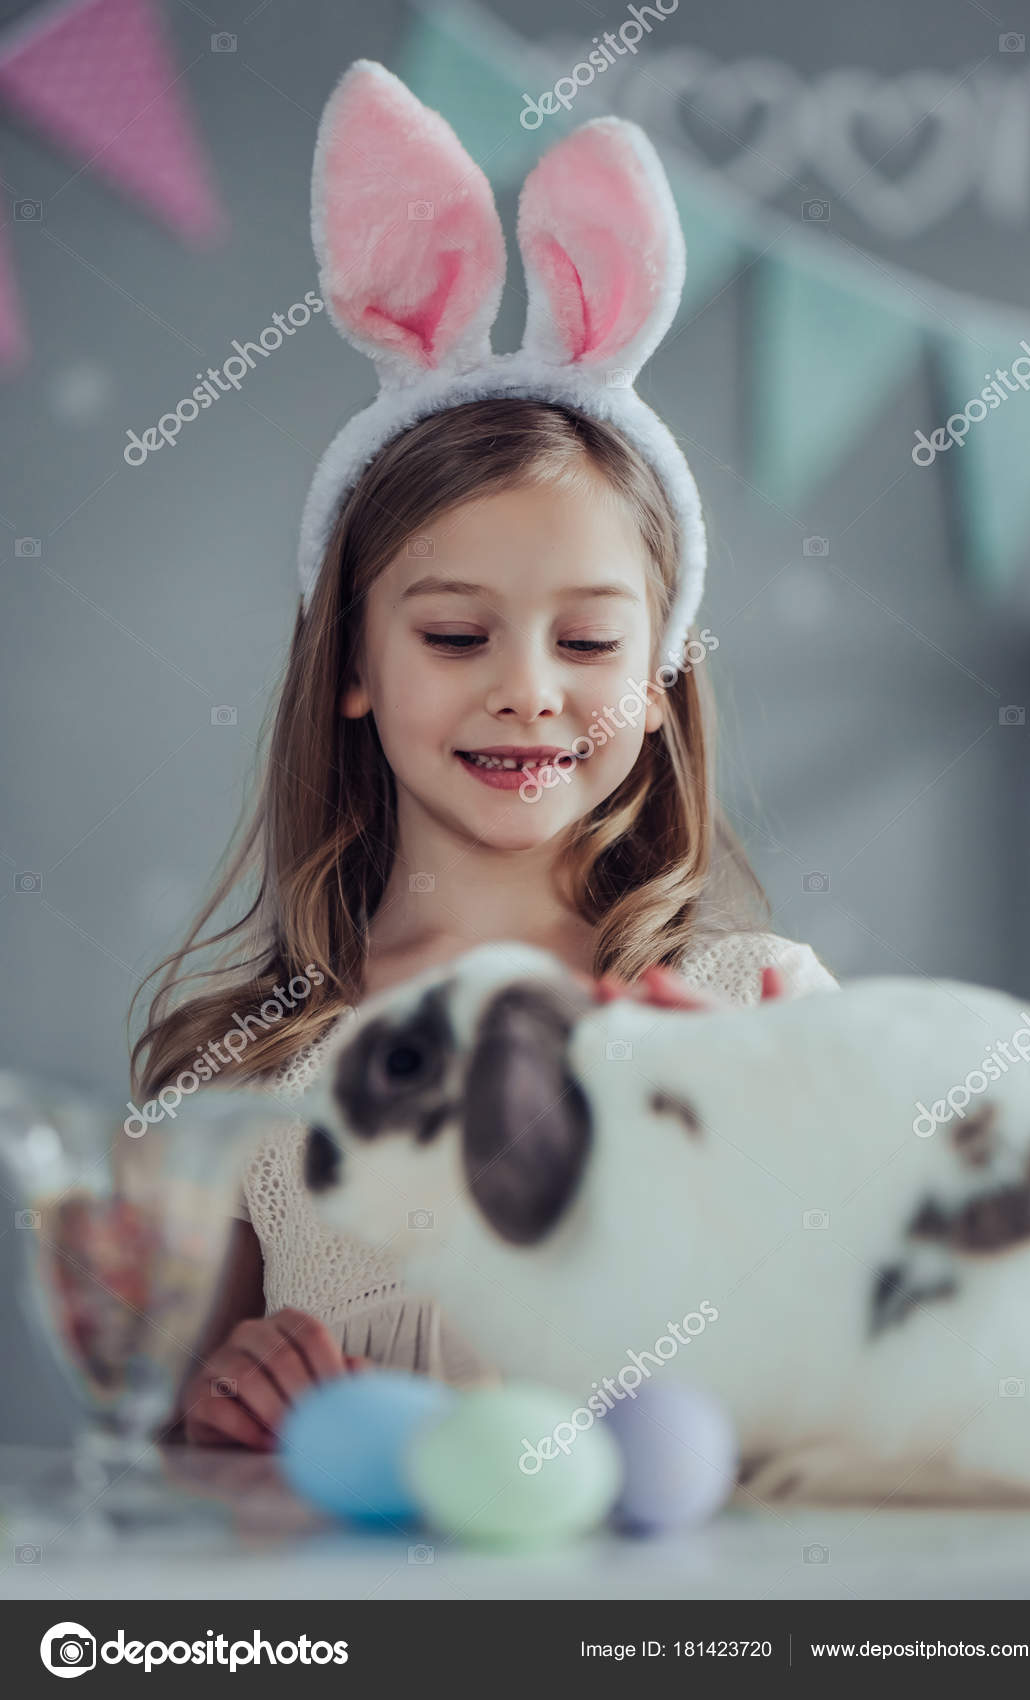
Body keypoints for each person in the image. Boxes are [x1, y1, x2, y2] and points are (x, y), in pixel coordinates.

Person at [129, 61, 836, 1450]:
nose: (528, 694)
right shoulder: (250, 1084)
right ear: (350, 666)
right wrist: (218, 1420)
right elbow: (168, 1464)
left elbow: (889, 1360)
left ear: (658, 677)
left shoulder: (756, 1011)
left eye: (586, 646)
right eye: (456, 637)